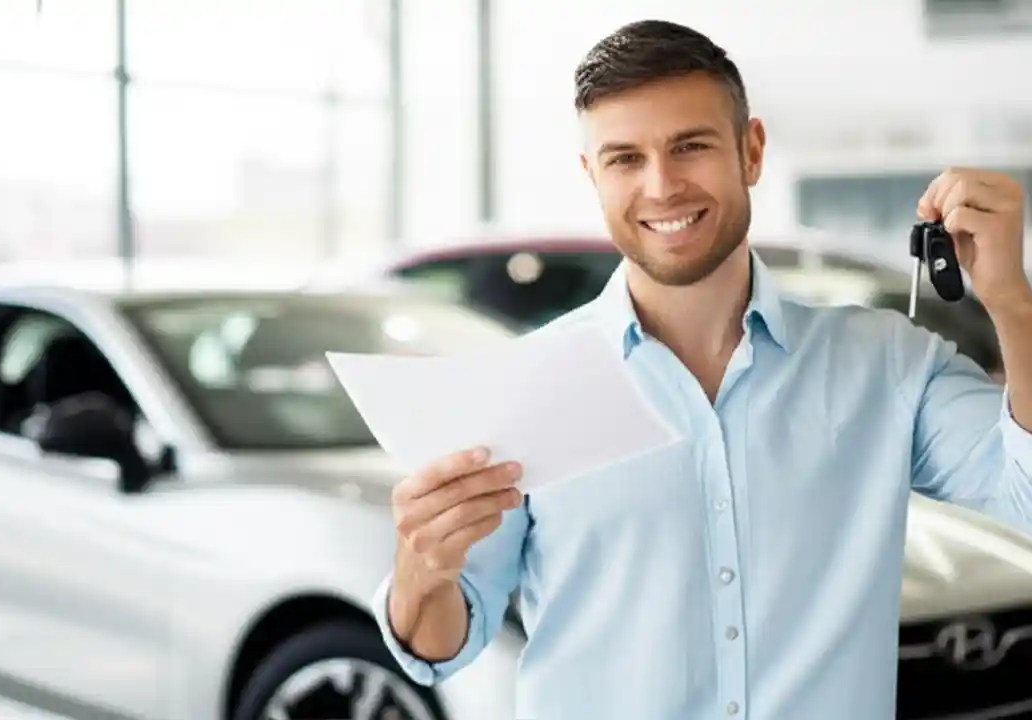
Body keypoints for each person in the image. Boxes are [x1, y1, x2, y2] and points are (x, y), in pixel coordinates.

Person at [370, 18, 1032, 719]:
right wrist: (423, 571)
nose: (662, 187)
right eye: (625, 159)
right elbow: (443, 645)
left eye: (690, 146)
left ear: (750, 151)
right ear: (592, 174)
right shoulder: (524, 388)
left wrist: (1013, 304)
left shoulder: (886, 362)